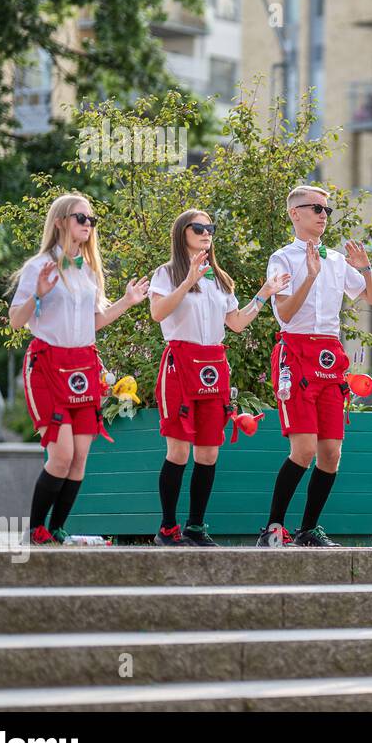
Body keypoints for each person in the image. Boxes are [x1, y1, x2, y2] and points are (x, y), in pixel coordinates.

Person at [9, 194, 149, 544]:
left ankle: (56, 529)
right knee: (62, 454)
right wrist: (37, 294)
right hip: (47, 363)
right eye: (80, 218)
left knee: (80, 457)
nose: (87, 225)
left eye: (91, 220)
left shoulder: (88, 270)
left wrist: (128, 301)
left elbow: (94, 322)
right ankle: (35, 530)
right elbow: (15, 321)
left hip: (82, 364)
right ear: (59, 221)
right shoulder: (38, 266)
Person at [150, 209, 290, 546]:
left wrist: (264, 293)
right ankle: (168, 528)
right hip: (180, 362)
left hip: (213, 363)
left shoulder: (219, 278)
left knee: (209, 453)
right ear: (182, 232)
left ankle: (196, 526)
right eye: (199, 227)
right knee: (179, 450)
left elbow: (237, 323)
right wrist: (187, 281)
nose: (206, 232)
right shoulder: (167, 273)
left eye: (210, 227)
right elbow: (157, 313)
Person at [257, 186, 372, 547]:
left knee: (331, 453)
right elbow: (283, 314)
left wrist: (366, 268)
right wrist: (310, 276)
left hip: (330, 353)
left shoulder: (337, 259)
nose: (324, 213)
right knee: (304, 449)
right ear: (295, 213)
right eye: (315, 207)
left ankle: (308, 529)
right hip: (296, 351)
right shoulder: (282, 258)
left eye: (327, 208)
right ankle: (273, 526)